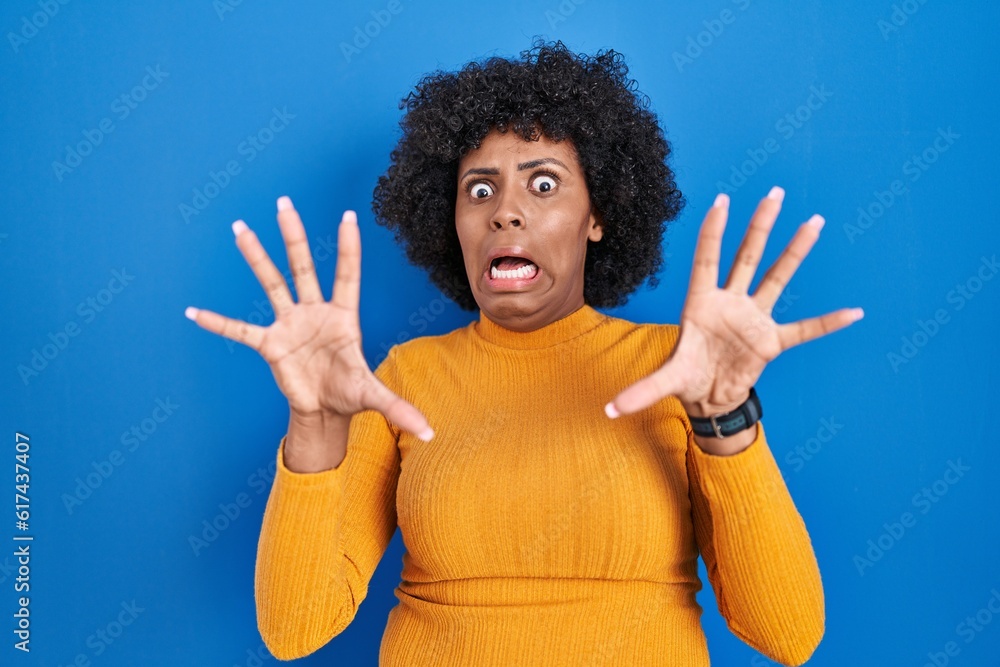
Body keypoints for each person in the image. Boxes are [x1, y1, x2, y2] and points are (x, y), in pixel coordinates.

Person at [185, 40, 862, 666]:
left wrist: (725, 419)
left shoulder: (679, 370)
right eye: (480, 189)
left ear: (597, 216)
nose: (505, 211)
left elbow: (788, 631)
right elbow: (294, 625)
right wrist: (313, 426)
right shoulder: (401, 378)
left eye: (543, 184)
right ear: (450, 221)